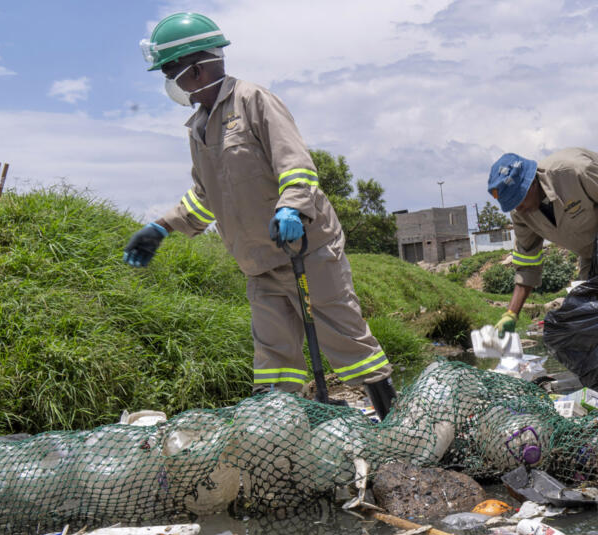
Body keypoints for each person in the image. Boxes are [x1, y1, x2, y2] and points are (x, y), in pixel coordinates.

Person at [125, 12, 397, 419]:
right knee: (274, 358)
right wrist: (161, 226)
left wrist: (291, 207)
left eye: (170, 73)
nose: (170, 84)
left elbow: (296, 166)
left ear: (196, 70)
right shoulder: (198, 127)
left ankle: (393, 421)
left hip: (305, 249)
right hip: (258, 262)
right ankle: (280, 432)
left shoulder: (253, 102)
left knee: (345, 337)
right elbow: (206, 197)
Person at [486, 148, 598, 335]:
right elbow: (527, 265)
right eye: (513, 205)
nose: (519, 209)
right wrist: (511, 314)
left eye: (520, 201)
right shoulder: (521, 214)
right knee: (592, 307)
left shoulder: (573, 171)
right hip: (591, 242)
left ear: (531, 183)